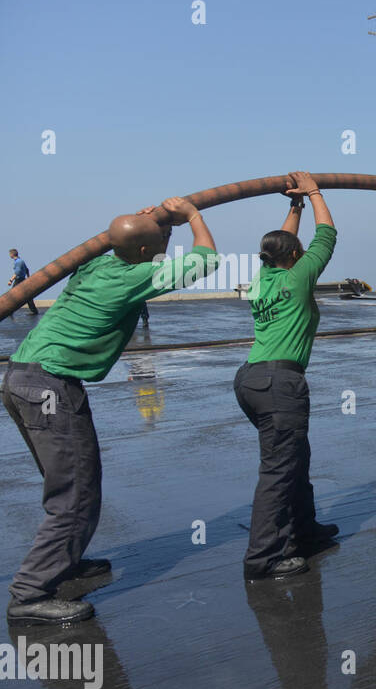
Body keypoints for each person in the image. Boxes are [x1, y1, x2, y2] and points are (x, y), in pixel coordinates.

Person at [3, 200, 218, 624]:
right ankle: (29, 595)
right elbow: (205, 261)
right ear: (143, 252)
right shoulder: (134, 279)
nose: (162, 246)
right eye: (158, 241)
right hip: (51, 385)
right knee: (76, 493)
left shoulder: (97, 267)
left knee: (66, 482)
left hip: (19, 376)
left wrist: (154, 225)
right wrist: (193, 215)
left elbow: (137, 247)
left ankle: (64, 562)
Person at [234, 171, 337, 581]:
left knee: (295, 459)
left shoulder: (265, 278)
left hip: (251, 379)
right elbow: (327, 235)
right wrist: (314, 193)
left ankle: (304, 531)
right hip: (280, 384)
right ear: (294, 255)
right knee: (278, 470)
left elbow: (282, 243)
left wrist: (294, 206)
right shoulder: (297, 276)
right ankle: (264, 558)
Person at [8, 248, 38, 316]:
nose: (9, 255)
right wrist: (28, 278)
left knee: (12, 295)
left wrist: (10, 280)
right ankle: (34, 311)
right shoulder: (20, 261)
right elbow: (27, 270)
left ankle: (10, 311)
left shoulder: (18, 262)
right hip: (23, 279)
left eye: (10, 254)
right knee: (28, 296)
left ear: (12, 254)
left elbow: (17, 273)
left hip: (19, 280)